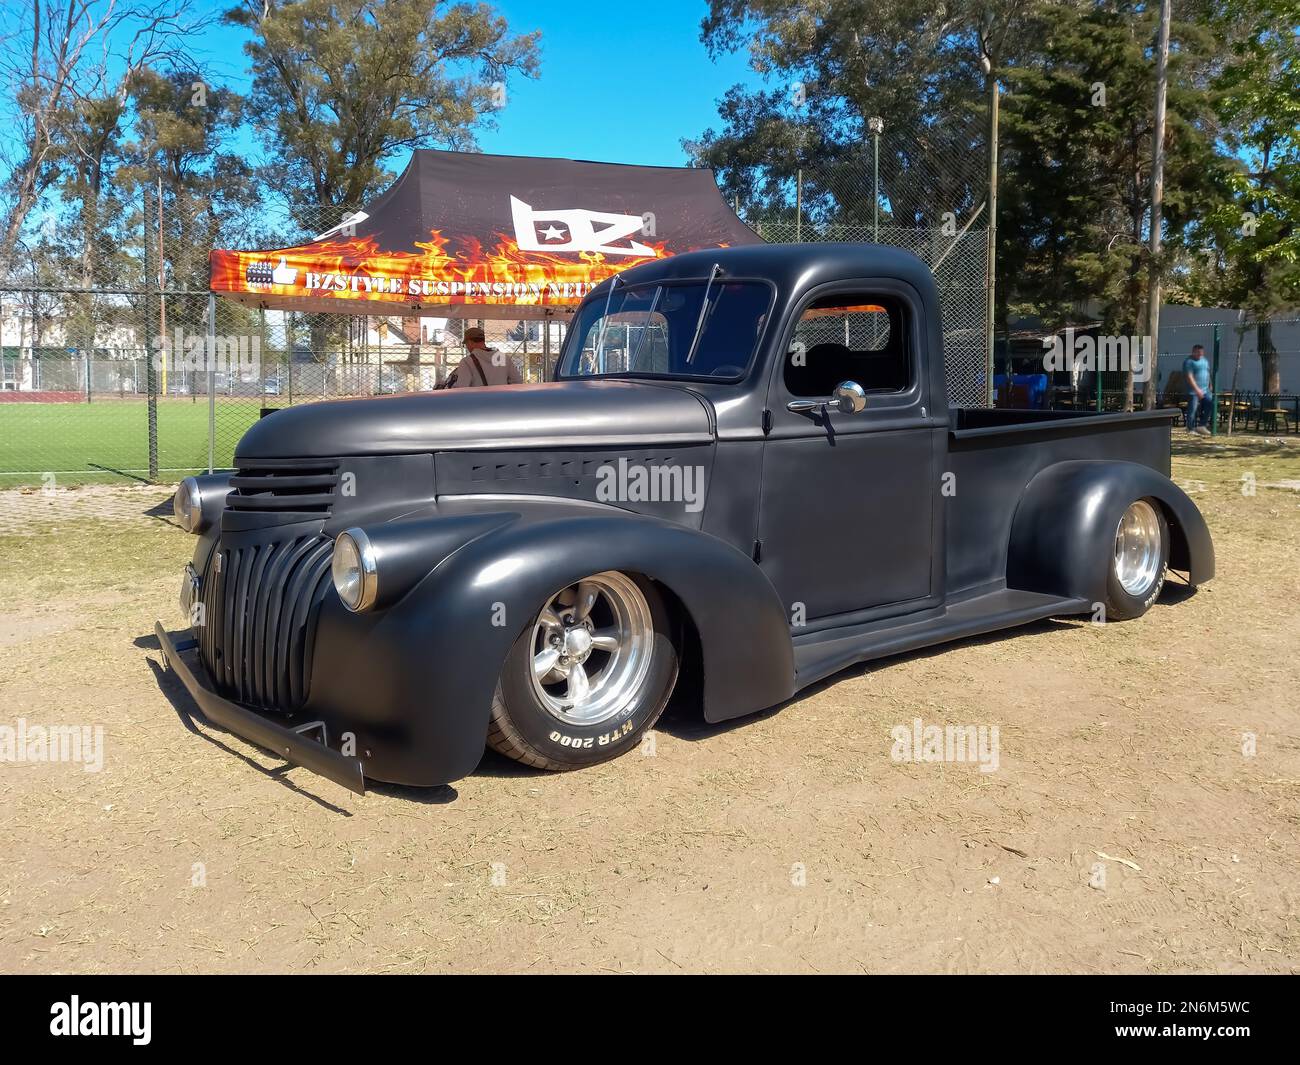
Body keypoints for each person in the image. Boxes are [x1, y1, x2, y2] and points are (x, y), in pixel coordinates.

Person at [443, 326, 522, 388]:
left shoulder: (467, 361)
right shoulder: (503, 358)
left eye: (466, 344)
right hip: (502, 404)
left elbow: (462, 388)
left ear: (470, 343)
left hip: (478, 405)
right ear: (483, 341)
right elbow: (517, 381)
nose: (466, 346)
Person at [1183, 343, 1213, 435]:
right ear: (1193, 352)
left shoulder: (1204, 361)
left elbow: (1207, 372)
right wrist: (1197, 390)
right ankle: (1190, 428)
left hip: (1205, 390)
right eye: (1198, 352)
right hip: (1193, 391)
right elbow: (1189, 377)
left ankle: (1201, 426)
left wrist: (1210, 384)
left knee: (1210, 404)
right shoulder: (1189, 362)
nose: (1200, 354)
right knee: (1192, 409)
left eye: (1201, 352)